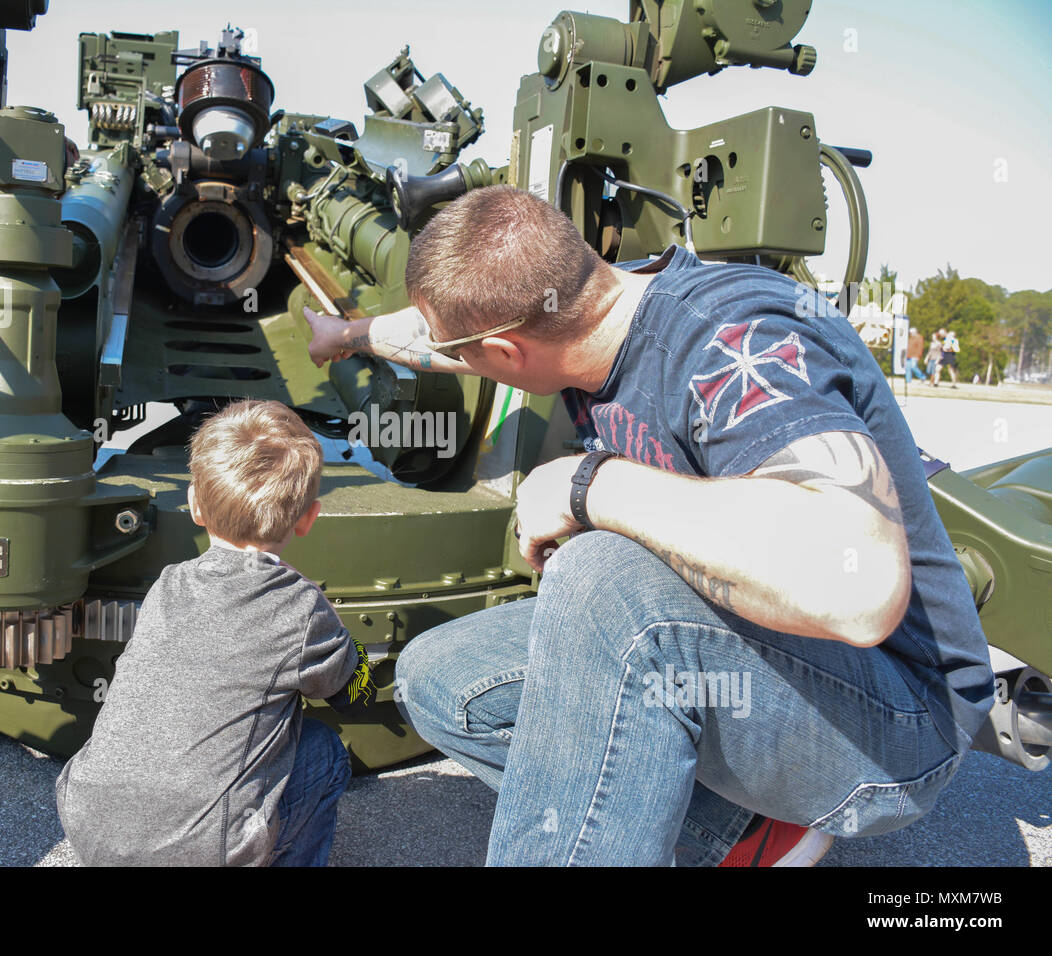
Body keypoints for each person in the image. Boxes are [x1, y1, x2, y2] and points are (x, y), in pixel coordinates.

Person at [303, 185, 993, 866]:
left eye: (467, 350)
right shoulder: (582, 310)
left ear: (507, 354)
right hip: (770, 655)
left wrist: (588, 485)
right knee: (440, 677)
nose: (449, 353)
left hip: (899, 723)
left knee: (601, 576)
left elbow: (860, 588)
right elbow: (435, 337)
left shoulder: (730, 344)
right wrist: (345, 337)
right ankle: (743, 832)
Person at [54, 399, 376, 866]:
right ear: (308, 517)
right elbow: (354, 693)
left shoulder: (169, 584)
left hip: (87, 822)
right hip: (206, 850)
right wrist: (345, 640)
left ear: (194, 505)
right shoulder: (301, 608)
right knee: (321, 750)